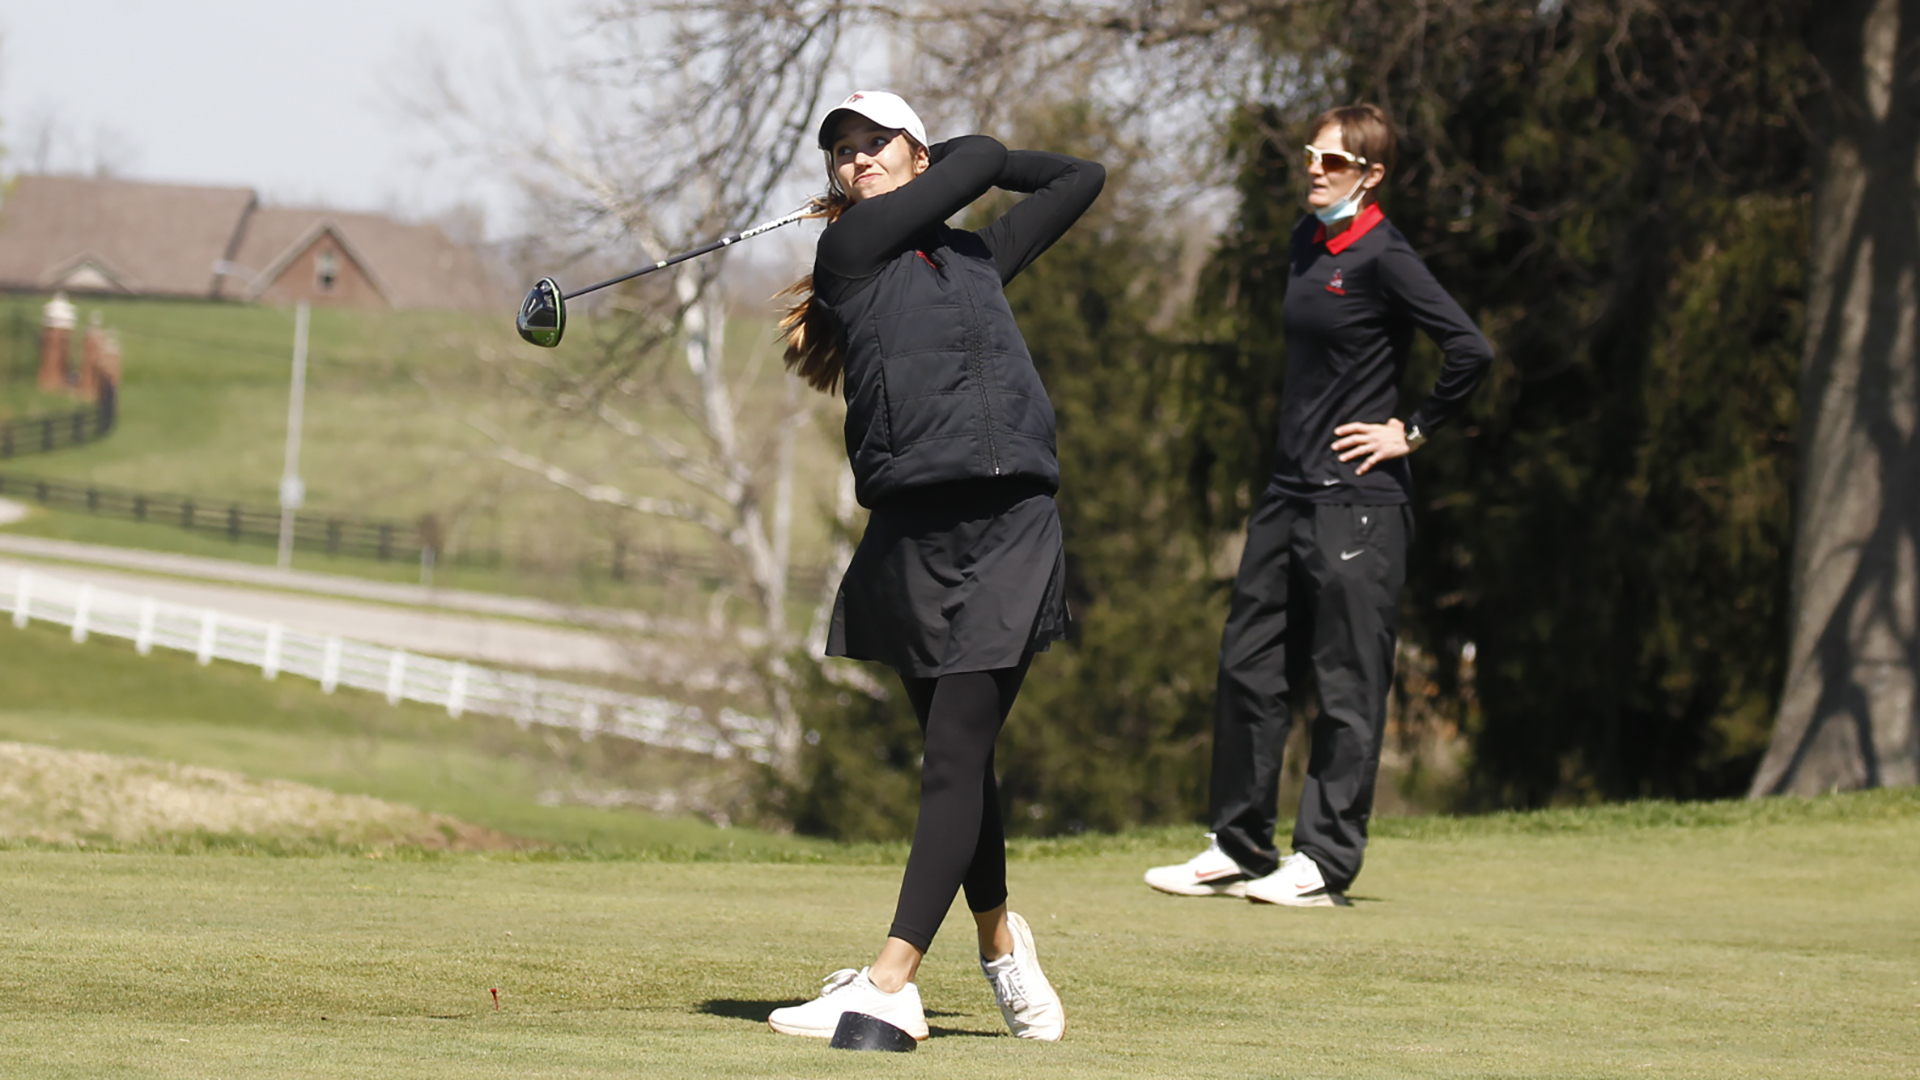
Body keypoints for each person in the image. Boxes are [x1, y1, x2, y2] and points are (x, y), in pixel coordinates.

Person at [764, 90, 1103, 1042]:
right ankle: (1000, 946)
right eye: (841, 151)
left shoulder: (980, 258)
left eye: (877, 144)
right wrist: (930, 162)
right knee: (962, 759)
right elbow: (985, 159)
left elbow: (1079, 177)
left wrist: (947, 154)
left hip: (1010, 526)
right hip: (914, 536)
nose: (856, 160)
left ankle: (888, 983)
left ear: (919, 156)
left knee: (957, 751)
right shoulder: (850, 256)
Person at [1145, 104, 1492, 908]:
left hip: (1357, 501)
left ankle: (1326, 861)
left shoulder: (1386, 256)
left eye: (1333, 161)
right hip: (1286, 492)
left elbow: (1471, 349)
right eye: (1312, 155)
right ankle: (1238, 845)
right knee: (1248, 666)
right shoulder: (1307, 243)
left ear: (1370, 176)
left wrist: (1411, 430)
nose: (1314, 167)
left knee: (1346, 680)